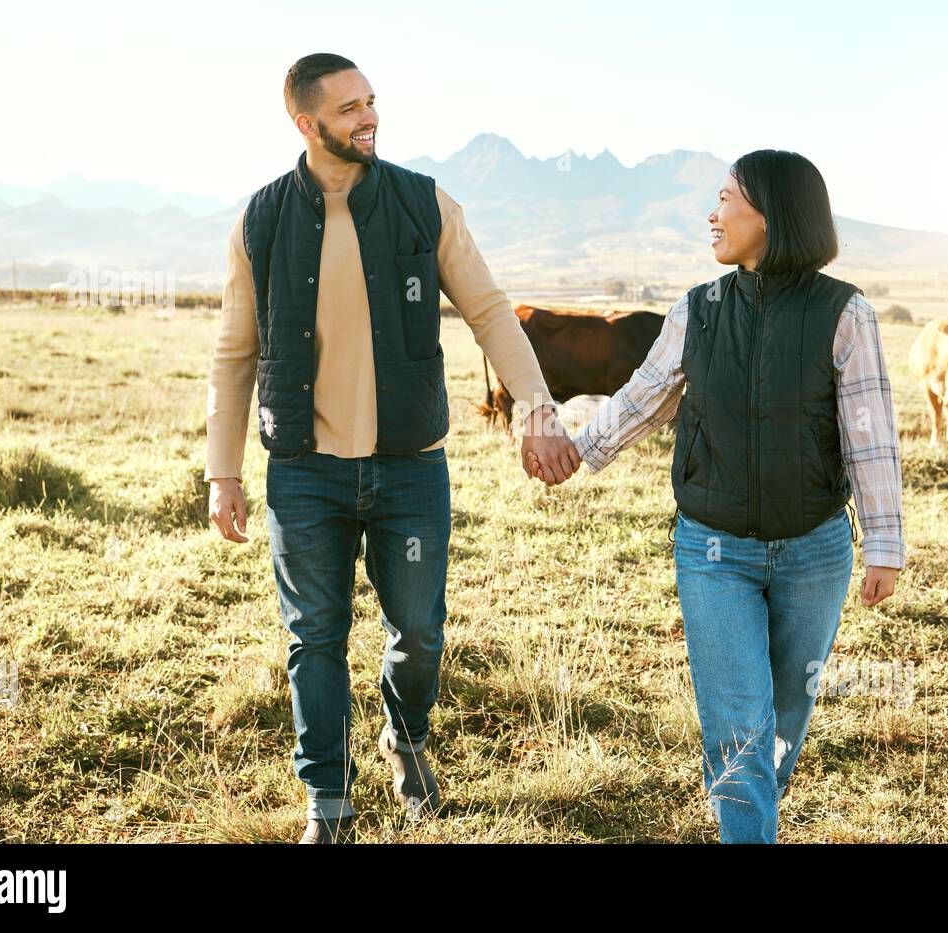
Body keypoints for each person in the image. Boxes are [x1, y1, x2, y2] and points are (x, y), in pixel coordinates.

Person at [205, 53, 580, 844]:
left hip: (410, 466)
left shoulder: (423, 203)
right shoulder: (260, 220)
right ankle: (328, 804)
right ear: (305, 125)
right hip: (303, 472)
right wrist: (223, 471)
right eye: (348, 109)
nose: (368, 117)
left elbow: (488, 310)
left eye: (371, 102)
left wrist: (537, 409)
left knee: (419, 633)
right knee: (315, 637)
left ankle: (405, 737)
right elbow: (234, 353)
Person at [528, 150, 907, 843]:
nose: (712, 213)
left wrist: (883, 542)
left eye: (727, 199)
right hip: (713, 550)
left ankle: (752, 806)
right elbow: (641, 399)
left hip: (815, 552)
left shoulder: (844, 312)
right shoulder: (696, 310)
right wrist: (572, 452)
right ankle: (748, 826)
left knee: (784, 718)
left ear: (774, 215)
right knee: (738, 724)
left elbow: (869, 430)